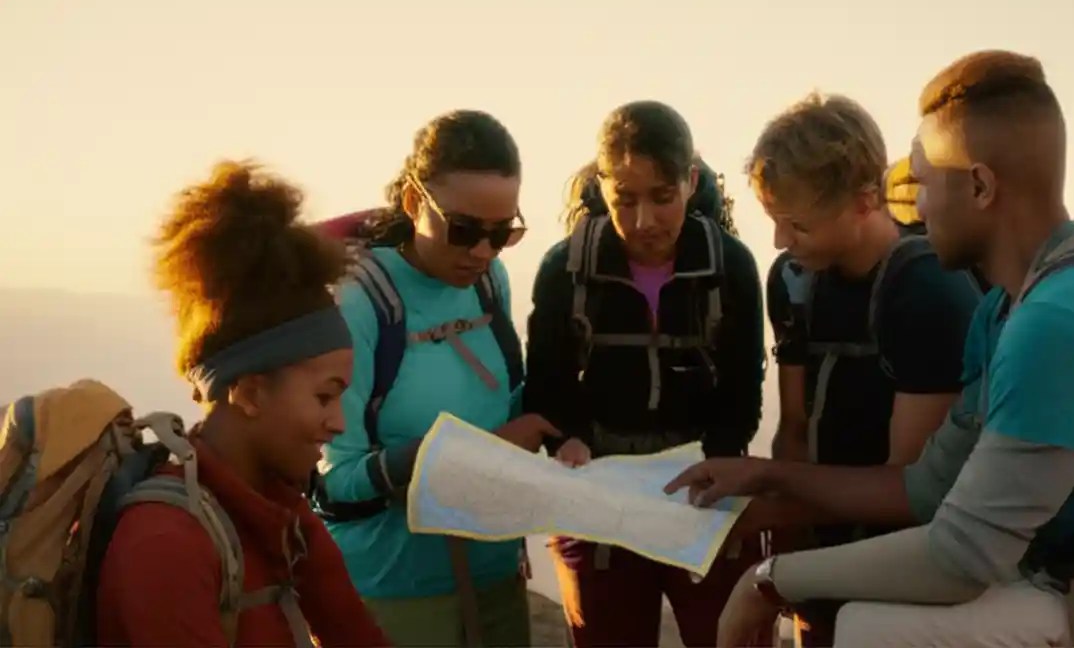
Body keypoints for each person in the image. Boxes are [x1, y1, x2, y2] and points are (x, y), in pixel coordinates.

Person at [672, 50, 1074, 647]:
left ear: (979, 186)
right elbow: (924, 488)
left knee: (871, 630)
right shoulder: (1008, 308)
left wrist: (765, 582)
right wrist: (767, 478)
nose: (916, 208)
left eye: (921, 183)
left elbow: (961, 555)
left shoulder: (1061, 321)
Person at [95, 160, 391, 647]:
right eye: (324, 396)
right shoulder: (165, 543)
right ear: (250, 393)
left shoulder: (284, 518)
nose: (339, 423)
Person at [523, 100, 767, 648]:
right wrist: (567, 441)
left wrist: (718, 460)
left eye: (662, 198)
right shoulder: (565, 270)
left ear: (691, 182)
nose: (643, 221)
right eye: (624, 200)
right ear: (601, 188)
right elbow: (546, 384)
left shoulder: (729, 266)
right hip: (599, 495)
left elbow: (742, 389)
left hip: (704, 487)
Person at [741, 94, 982, 645]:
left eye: (797, 224)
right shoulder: (794, 279)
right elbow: (796, 427)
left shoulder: (925, 288)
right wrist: (788, 551)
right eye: (775, 221)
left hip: (900, 577)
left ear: (865, 200)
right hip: (818, 558)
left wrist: (768, 493)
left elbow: (908, 492)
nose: (781, 242)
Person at [314, 110, 560, 647]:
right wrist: (466, 454)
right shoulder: (361, 301)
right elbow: (337, 483)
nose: (482, 252)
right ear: (412, 202)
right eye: (464, 230)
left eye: (503, 234)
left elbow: (503, 401)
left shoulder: (489, 281)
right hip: (393, 592)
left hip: (495, 573)